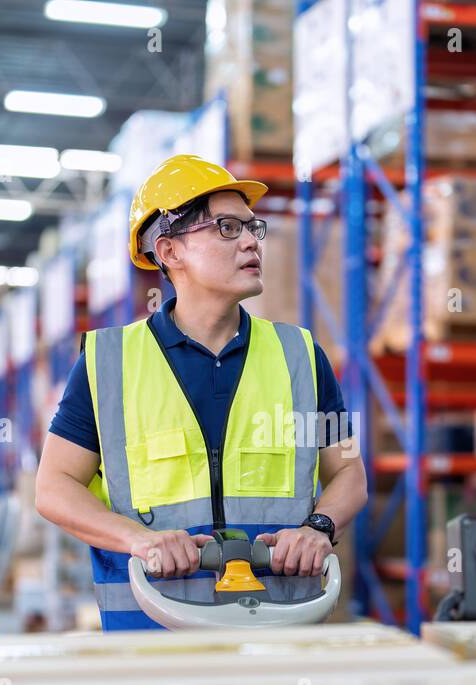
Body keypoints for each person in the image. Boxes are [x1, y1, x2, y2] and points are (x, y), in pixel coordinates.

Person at [35, 154, 367, 630]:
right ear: (170, 252)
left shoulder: (301, 355)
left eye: (252, 227)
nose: (251, 241)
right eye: (227, 228)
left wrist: (319, 528)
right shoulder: (107, 364)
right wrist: (140, 540)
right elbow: (54, 488)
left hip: (277, 631)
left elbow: (349, 472)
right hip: (152, 638)